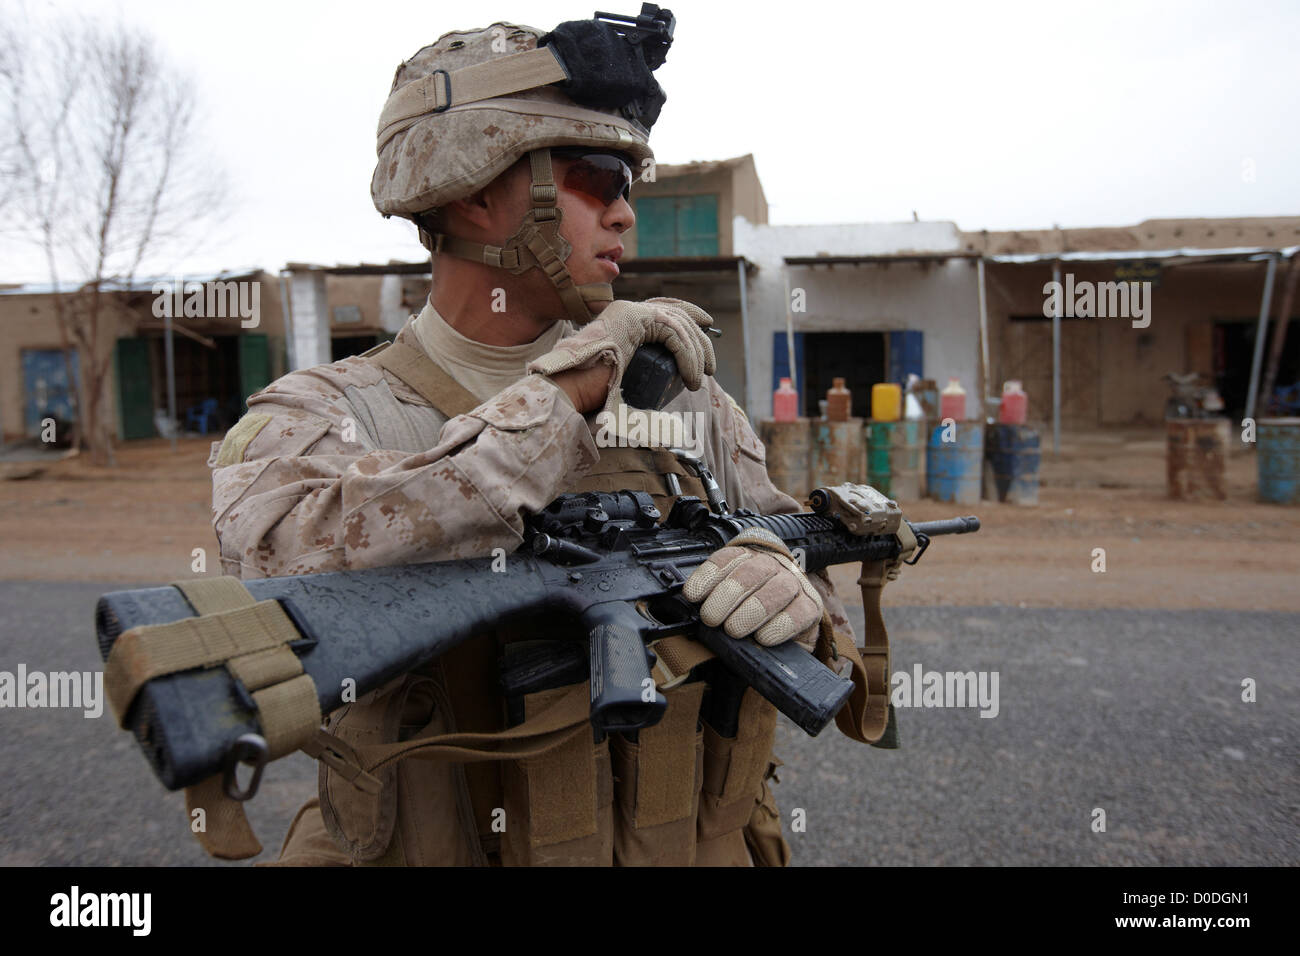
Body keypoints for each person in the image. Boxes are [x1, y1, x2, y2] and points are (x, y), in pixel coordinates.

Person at [209, 16, 862, 866]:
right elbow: (268, 564)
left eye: (630, 180)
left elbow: (823, 603)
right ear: (473, 190)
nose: (627, 212)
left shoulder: (690, 407)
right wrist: (567, 392)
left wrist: (791, 587)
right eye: (596, 177)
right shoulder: (326, 412)